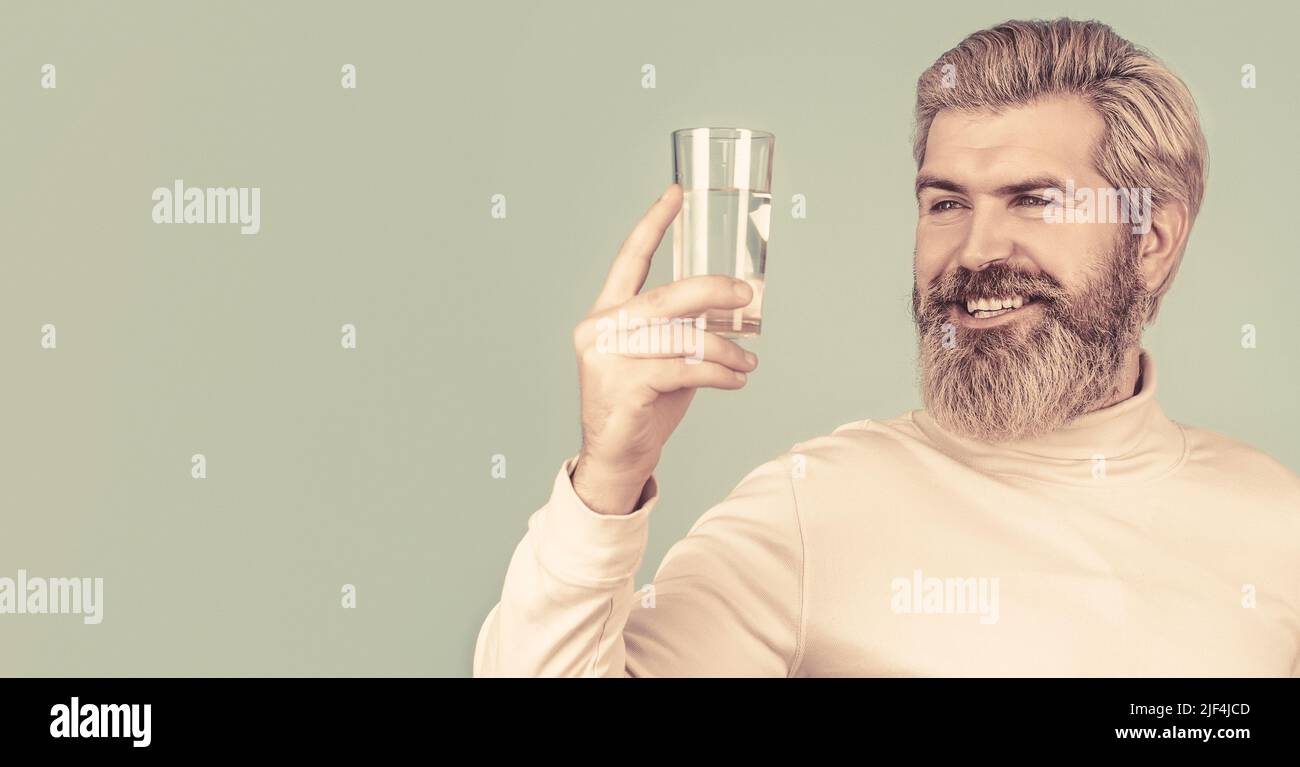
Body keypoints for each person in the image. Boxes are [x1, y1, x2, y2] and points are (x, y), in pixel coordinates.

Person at [473, 18, 1300, 676]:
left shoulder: (1277, 525)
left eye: (1033, 200)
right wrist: (607, 481)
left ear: (1151, 237)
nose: (977, 251)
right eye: (945, 203)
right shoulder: (814, 508)